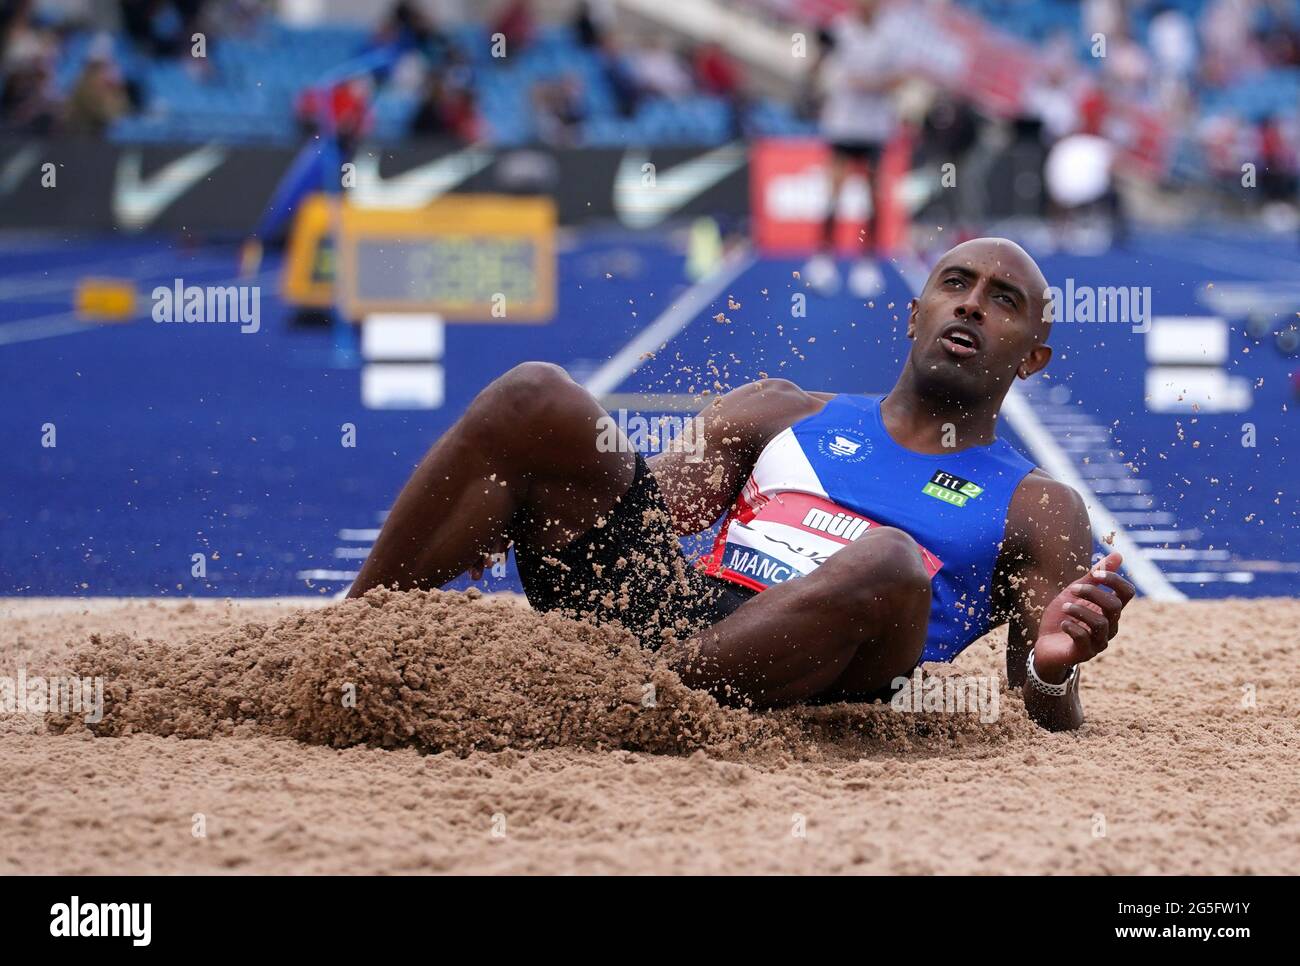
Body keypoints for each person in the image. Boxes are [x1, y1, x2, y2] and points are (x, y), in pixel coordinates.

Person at [350, 238, 1135, 731]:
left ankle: (619, 706)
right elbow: (641, 518)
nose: (971, 302)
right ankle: (338, 649)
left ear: (1033, 355)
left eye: (1003, 301)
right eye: (955, 282)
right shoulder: (781, 411)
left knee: (891, 561)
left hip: (841, 679)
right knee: (536, 395)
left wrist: (1055, 666)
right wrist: (529, 491)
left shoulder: (1041, 507)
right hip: (690, 622)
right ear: (913, 313)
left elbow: (1039, 715)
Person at [804, 0, 908, 299]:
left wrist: (873, 83)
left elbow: (901, 76)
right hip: (842, 125)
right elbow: (819, 68)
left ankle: (867, 263)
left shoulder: (892, 34)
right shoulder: (839, 30)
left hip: (874, 128)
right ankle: (823, 260)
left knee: (872, 197)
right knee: (833, 194)